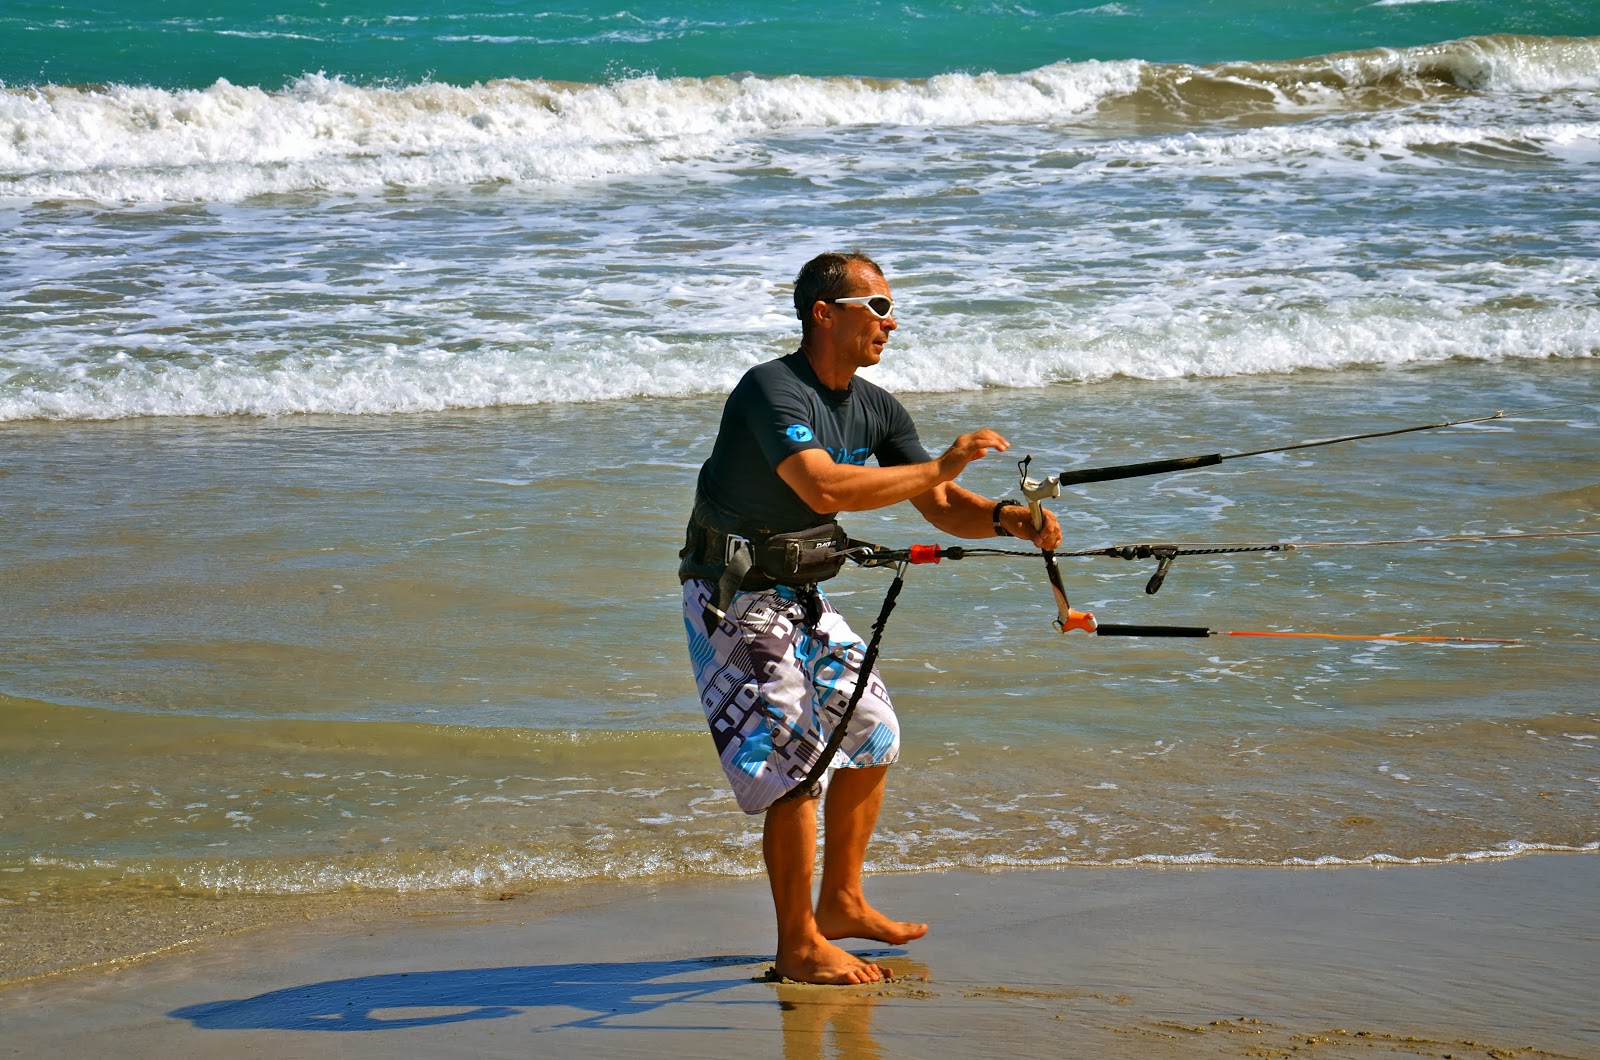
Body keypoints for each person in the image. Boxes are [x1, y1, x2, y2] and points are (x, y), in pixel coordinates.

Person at [678, 251, 1062, 985]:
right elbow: (826, 486)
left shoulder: (876, 406)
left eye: (891, 308)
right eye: (877, 307)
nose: (892, 321)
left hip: (801, 595)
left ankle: (843, 902)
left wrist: (1011, 518)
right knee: (793, 766)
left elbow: (941, 505)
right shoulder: (770, 390)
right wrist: (942, 467)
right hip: (732, 596)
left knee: (872, 727)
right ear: (825, 313)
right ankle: (797, 946)